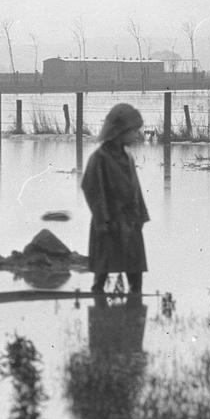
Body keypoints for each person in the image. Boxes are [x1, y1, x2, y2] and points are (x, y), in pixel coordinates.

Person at [82, 103, 149, 295]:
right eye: (134, 131)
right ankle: (98, 305)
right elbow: (91, 188)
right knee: (103, 269)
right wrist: (103, 219)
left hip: (130, 222)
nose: (137, 135)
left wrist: (141, 215)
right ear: (119, 131)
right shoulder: (100, 158)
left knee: (135, 269)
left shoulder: (127, 157)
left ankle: (135, 308)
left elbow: (135, 189)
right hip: (109, 223)